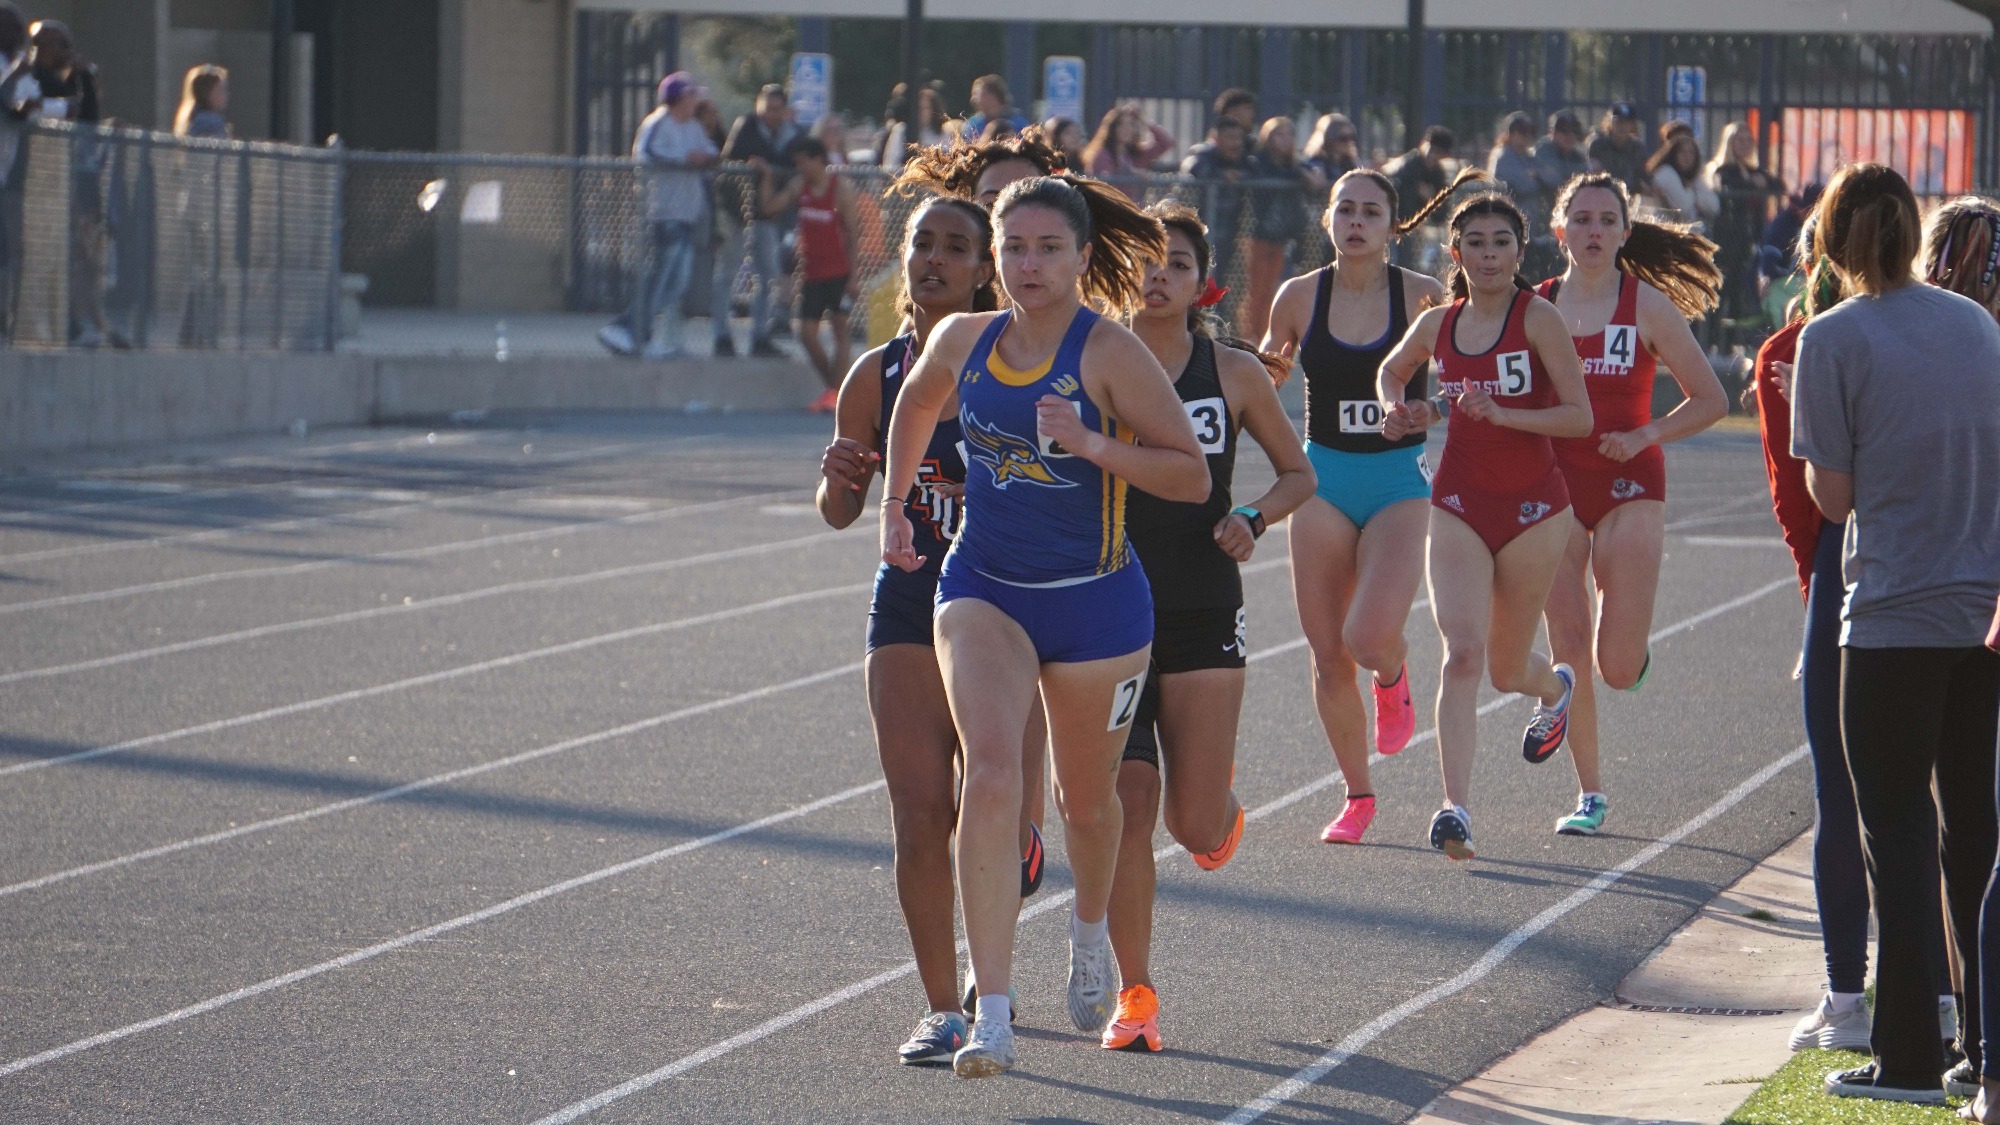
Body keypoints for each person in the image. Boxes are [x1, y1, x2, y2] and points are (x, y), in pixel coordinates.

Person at [879, 175, 1208, 1076]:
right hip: (984, 586)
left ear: (1079, 256)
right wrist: (897, 505)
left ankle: (1091, 930)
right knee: (989, 773)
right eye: (1013, 248)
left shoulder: (1108, 353)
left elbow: (1191, 475)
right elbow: (915, 399)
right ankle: (992, 1010)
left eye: (1048, 249)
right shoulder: (962, 337)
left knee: (1086, 804)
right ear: (993, 256)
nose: (1029, 265)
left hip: (1098, 604)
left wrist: (1095, 443)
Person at [816, 194, 1052, 1065]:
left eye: (957, 247)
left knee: (997, 797)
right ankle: (944, 1007)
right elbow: (841, 510)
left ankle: (998, 955)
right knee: (920, 812)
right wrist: (841, 478)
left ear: (985, 267)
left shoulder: (1019, 362)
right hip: (910, 597)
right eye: (924, 244)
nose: (935, 261)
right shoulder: (874, 376)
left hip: (1005, 599)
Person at [1789, 164, 2000, 1105]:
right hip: (1982, 609)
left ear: (1833, 242)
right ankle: (1985, 1050)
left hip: (1890, 613)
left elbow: (1833, 498)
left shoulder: (1832, 338)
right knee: (1975, 834)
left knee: (1898, 833)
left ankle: (1909, 1056)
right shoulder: (1978, 325)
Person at [1102, 201, 1315, 1053]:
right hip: (1105, 611)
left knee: (1192, 827)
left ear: (1201, 283)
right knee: (1127, 804)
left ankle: (1217, 802)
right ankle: (1136, 993)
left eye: (1177, 264)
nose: (1158, 277)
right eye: (1146, 262)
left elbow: (1296, 474)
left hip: (1200, 610)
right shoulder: (1084, 362)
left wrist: (1255, 520)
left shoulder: (1232, 372)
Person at [1756, 222, 1959, 1074]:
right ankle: (1887, 1002)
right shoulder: (1799, 347)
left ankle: (1919, 1003)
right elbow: (1801, 504)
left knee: (1908, 807)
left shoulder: (1855, 337)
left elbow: (1823, 498)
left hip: (1896, 582)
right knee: (1906, 805)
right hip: (1915, 580)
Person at [1261, 167, 1476, 843]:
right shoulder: (1297, 297)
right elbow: (1266, 378)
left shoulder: (1422, 297)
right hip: (1322, 476)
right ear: (1328, 220)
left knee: (1367, 636)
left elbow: (1455, 391)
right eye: (1345, 209)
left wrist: (1422, 409)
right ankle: (1357, 796)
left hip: (1395, 482)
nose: (1356, 221)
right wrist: (1252, 368)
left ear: (1392, 225)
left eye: (1370, 212)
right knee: (1327, 656)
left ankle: (1391, 671)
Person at [1376, 191, 1593, 860]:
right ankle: (1455, 811)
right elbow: (1393, 371)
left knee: (1505, 667)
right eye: (1476, 242)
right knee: (1461, 653)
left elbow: (1579, 418)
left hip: (1534, 507)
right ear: (1457, 252)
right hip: (1459, 501)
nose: (1489, 253)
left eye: (1501, 242)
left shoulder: (1540, 318)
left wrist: (1507, 415)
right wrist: (1402, 409)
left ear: (1520, 252)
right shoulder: (1439, 322)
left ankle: (1556, 687)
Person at [1533, 172, 1728, 836]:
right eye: (1580, 219)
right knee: (1568, 648)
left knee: (1614, 666)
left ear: (1624, 233)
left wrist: (1645, 432)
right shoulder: (1533, 308)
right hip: (1555, 489)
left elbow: (1710, 398)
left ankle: (1633, 654)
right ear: (1559, 231)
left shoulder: (1645, 306)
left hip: (1630, 485)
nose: (1592, 231)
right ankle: (1590, 793)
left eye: (1605, 220)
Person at [595, 72, 718, 361]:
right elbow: (645, 155)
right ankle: (625, 328)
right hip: (665, 212)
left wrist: (704, 159)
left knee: (678, 280)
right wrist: (684, 160)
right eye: (692, 95)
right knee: (663, 274)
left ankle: (639, 332)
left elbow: (712, 154)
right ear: (679, 98)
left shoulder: (694, 127)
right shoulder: (658, 123)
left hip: (688, 213)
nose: (696, 101)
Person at [28, 20, 112, 349]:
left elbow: (88, 120)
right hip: (42, 187)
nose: (68, 52)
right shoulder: (35, 80)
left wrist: (84, 76)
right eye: (61, 45)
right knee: (47, 260)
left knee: (79, 258)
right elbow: (74, 114)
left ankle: (71, 322)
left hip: (68, 184)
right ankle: (52, 325)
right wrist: (79, 81)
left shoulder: (59, 82)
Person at [760, 137, 858, 410]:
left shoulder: (840, 190)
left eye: (805, 161)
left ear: (819, 159)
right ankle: (834, 388)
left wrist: (854, 276)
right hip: (812, 274)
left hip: (839, 272)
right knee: (806, 334)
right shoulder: (798, 186)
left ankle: (837, 393)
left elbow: (852, 233)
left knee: (840, 330)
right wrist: (767, 177)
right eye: (797, 162)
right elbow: (769, 208)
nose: (801, 167)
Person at [713, 83, 799, 358]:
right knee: (727, 272)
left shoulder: (791, 135)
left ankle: (760, 336)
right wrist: (750, 167)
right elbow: (728, 163)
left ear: (785, 111)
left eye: (776, 109)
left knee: (769, 274)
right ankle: (721, 336)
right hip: (735, 212)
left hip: (766, 215)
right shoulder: (746, 127)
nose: (770, 114)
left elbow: (791, 168)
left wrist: (770, 171)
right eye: (766, 108)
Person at [1242, 116, 1324, 343]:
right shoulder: (1259, 161)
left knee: (1275, 288)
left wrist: (1310, 173)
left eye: (1289, 135)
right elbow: (1267, 177)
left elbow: (1312, 174)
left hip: (1283, 235)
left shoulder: (1295, 163)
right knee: (1256, 289)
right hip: (1259, 233)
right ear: (1268, 137)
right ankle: (1251, 336)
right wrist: (1298, 174)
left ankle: (1268, 336)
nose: (1285, 140)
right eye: (1279, 135)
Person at [1705, 122, 1781, 328]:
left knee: (1741, 289)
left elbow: (1778, 186)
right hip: (1726, 238)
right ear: (1729, 143)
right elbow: (1726, 187)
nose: (1745, 144)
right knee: (1721, 289)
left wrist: (1759, 182)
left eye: (1749, 140)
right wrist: (1752, 185)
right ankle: (1713, 337)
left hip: (1749, 238)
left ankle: (1734, 340)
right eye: (1740, 139)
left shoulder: (1753, 171)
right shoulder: (1721, 169)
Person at [1182, 117, 1252, 302]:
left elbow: (1259, 171)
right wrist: (1221, 176)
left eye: (1238, 138)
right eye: (1230, 137)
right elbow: (1192, 167)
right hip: (1199, 230)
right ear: (1216, 138)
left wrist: (1241, 176)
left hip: (1229, 231)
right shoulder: (1204, 154)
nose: (1235, 143)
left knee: (1221, 280)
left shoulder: (1244, 159)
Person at [1488, 111, 1557, 277]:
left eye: (1529, 132)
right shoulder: (1503, 155)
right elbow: (1523, 185)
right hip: (1508, 224)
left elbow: (1554, 178)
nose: (1526, 137)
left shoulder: (1529, 157)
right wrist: (1533, 177)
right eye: (1521, 132)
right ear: (1510, 133)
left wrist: (1535, 175)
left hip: (1531, 227)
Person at [1643, 129, 1718, 228]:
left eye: (1691, 152)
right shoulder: (1665, 173)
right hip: (1658, 228)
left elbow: (1714, 206)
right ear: (1673, 154)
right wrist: (1693, 193)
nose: (1686, 156)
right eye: (1682, 152)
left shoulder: (1694, 178)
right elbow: (1683, 207)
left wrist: (1693, 195)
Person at [1384, 126, 1456, 225]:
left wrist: (1431, 198)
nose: (1433, 155)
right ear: (1422, 144)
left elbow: (1443, 214)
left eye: (1438, 152)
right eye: (1431, 149)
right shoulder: (1408, 167)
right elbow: (1401, 207)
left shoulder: (1437, 173)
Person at [1081, 104, 1175, 180]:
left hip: (1132, 203)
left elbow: (1166, 143)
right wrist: (1133, 173)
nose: (1127, 129)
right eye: (1121, 124)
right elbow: (1107, 180)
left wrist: (1142, 120)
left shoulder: (1137, 154)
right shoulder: (1102, 154)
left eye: (1130, 124)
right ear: (1113, 128)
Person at [1586, 104, 1648, 199]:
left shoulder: (1637, 148)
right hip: (1601, 196)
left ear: (1632, 125)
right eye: (1618, 122)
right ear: (1610, 122)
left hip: (1629, 198)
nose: (1622, 126)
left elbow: (1643, 177)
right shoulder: (1598, 145)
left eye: (1627, 122)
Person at [878, 81, 947, 167]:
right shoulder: (901, 130)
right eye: (919, 108)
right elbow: (890, 164)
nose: (922, 112)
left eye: (926, 108)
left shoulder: (943, 132)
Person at [963, 74, 1029, 140]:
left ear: (995, 96)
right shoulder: (973, 125)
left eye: (980, 94)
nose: (974, 99)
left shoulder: (1019, 124)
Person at [172, 64, 229, 139]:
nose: (226, 95)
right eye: (220, 90)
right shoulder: (211, 122)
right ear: (207, 94)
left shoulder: (189, 119)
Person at [1302, 112, 1359, 184]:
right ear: (1329, 139)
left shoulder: (1349, 164)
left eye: (1352, 137)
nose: (1349, 142)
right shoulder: (1315, 162)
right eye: (1343, 138)